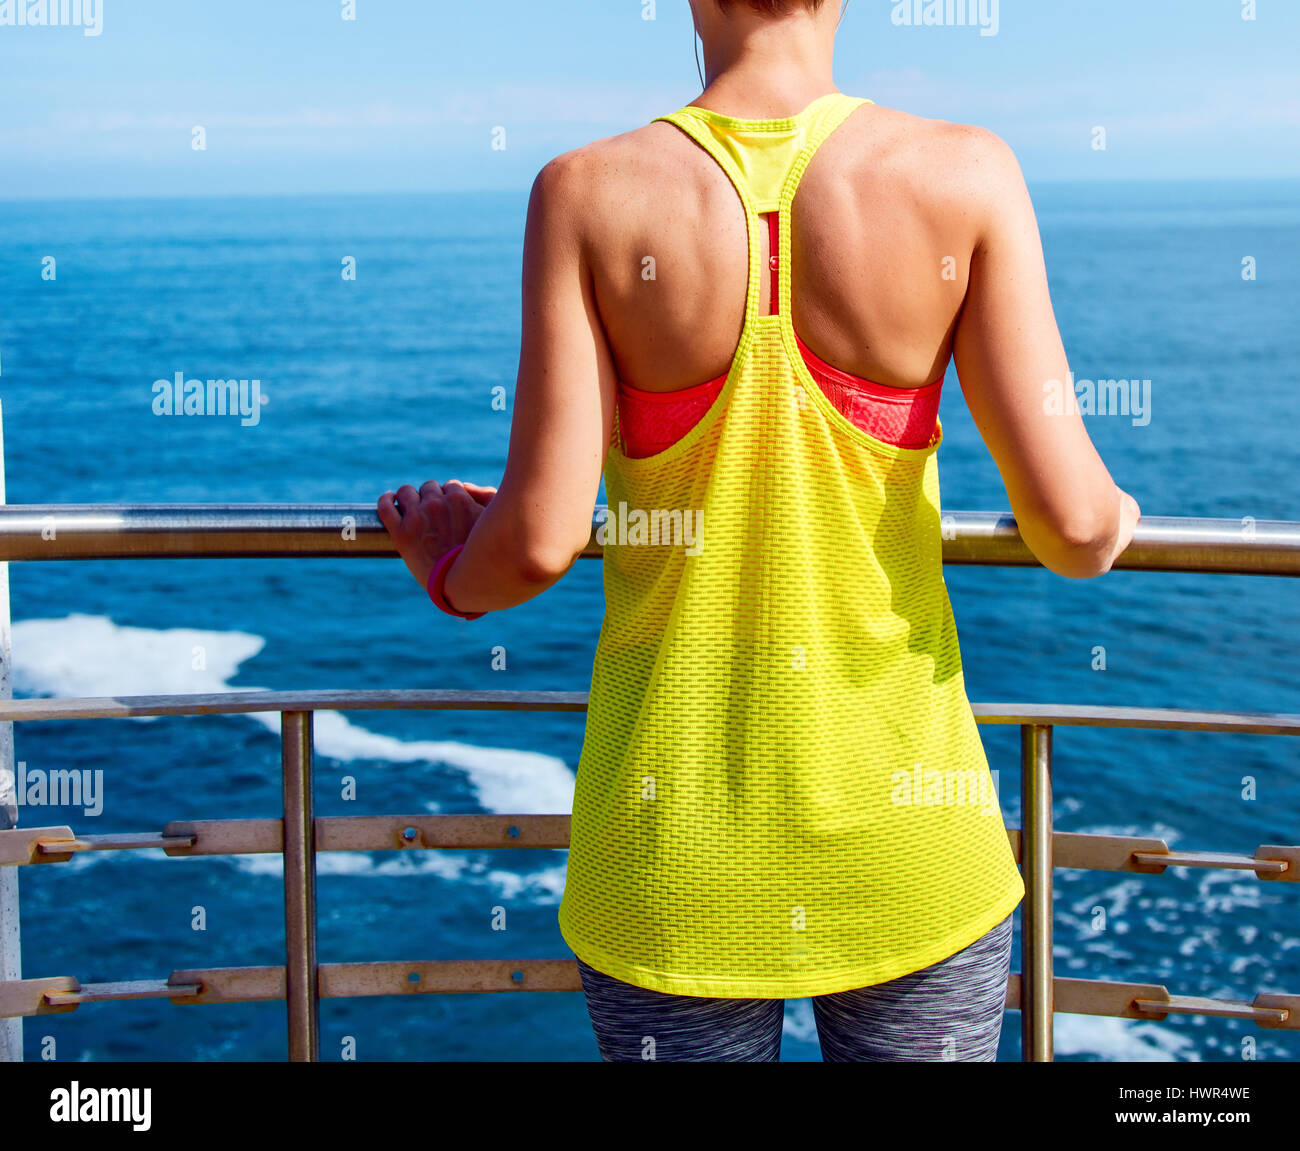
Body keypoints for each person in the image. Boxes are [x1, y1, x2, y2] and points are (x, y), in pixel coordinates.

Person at [378, 0, 1141, 1062]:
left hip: (672, 861)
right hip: (907, 853)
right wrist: (1121, 517)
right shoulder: (964, 174)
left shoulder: (588, 192)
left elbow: (540, 540)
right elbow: (1071, 525)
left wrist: (452, 568)